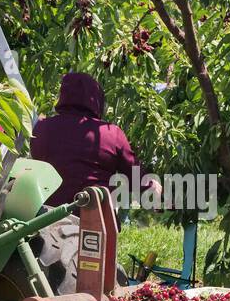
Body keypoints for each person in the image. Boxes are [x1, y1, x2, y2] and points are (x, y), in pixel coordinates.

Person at [32, 72, 150, 207]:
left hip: (45, 218)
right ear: (96, 99)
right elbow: (135, 178)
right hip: (96, 219)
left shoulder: (41, 128)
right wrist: (154, 186)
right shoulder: (110, 133)